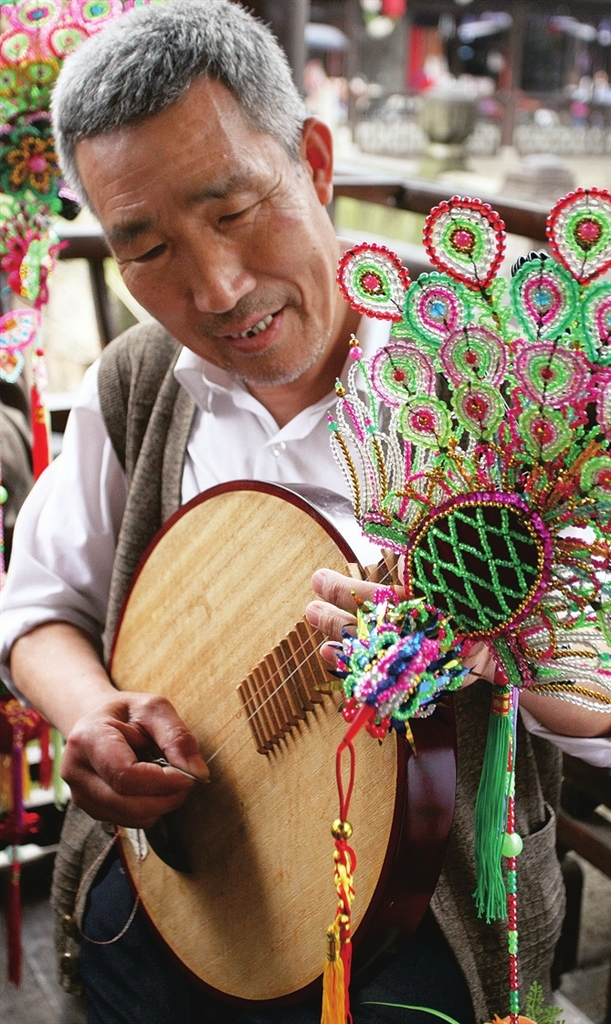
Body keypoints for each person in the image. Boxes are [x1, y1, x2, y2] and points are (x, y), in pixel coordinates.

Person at [1, 3, 610, 1023]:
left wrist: (509, 650)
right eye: (144, 247)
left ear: (316, 161)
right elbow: (38, 602)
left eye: (235, 210)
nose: (217, 286)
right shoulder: (141, 384)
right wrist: (88, 714)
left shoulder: (501, 401)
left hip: (418, 931)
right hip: (173, 879)